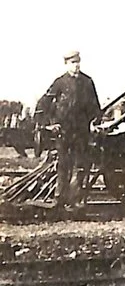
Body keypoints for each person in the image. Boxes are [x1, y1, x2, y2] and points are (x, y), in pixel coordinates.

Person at [40, 50, 102, 211]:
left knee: (79, 165)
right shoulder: (60, 82)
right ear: (66, 64)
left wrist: (95, 123)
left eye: (78, 62)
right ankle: (59, 200)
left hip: (81, 132)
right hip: (64, 131)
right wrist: (49, 124)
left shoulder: (87, 82)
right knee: (63, 165)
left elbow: (95, 107)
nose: (76, 66)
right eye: (73, 63)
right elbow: (43, 104)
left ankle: (76, 201)